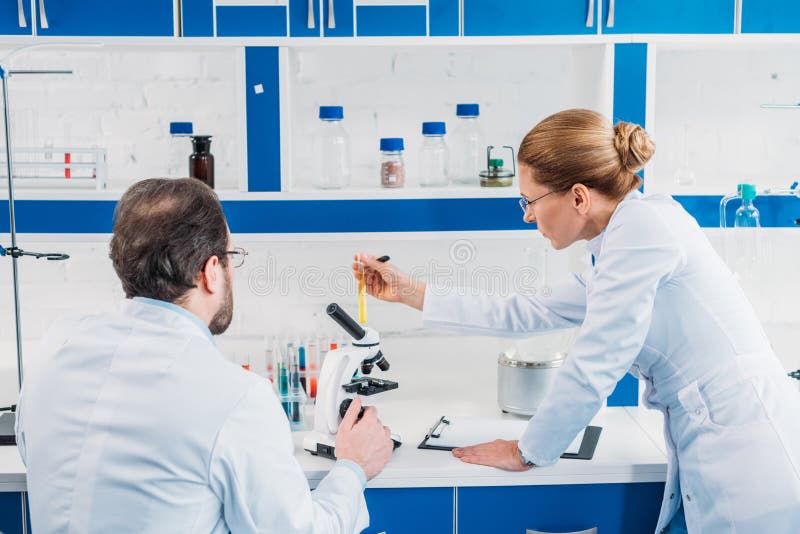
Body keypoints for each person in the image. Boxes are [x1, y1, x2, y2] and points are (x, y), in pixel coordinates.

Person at [353, 109, 800, 533]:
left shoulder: (644, 230)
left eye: (529, 200)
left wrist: (528, 451)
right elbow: (525, 308)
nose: (527, 214)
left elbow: (598, 358)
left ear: (579, 197)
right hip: (713, 443)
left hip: (749, 458)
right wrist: (409, 291)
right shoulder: (625, 240)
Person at [16, 178, 393, 533]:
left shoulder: (56, 345)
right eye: (231, 256)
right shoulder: (236, 398)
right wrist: (353, 466)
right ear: (212, 271)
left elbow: (33, 451)